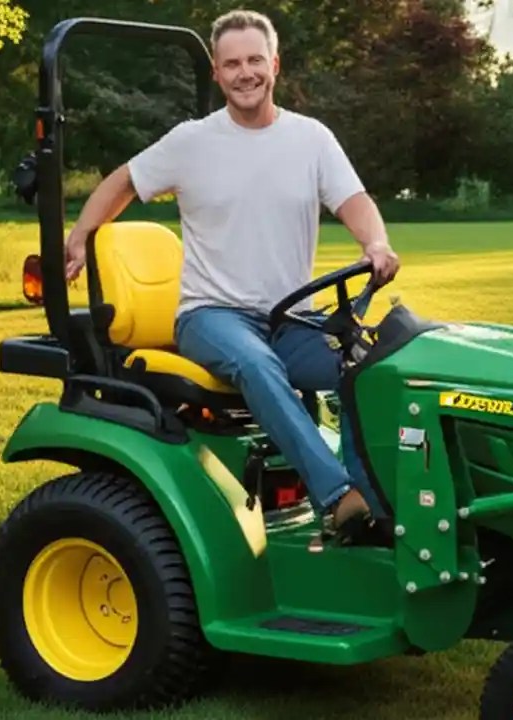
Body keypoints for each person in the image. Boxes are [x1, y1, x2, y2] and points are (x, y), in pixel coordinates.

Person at [61, 8, 399, 543]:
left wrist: (375, 243)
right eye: (233, 64)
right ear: (217, 74)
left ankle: (375, 503)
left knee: (363, 363)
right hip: (210, 317)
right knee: (255, 363)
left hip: (291, 320)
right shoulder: (192, 142)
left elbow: (354, 201)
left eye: (255, 61)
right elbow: (123, 180)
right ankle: (339, 499)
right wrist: (81, 233)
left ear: (275, 65)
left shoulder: (311, 139)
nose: (246, 73)